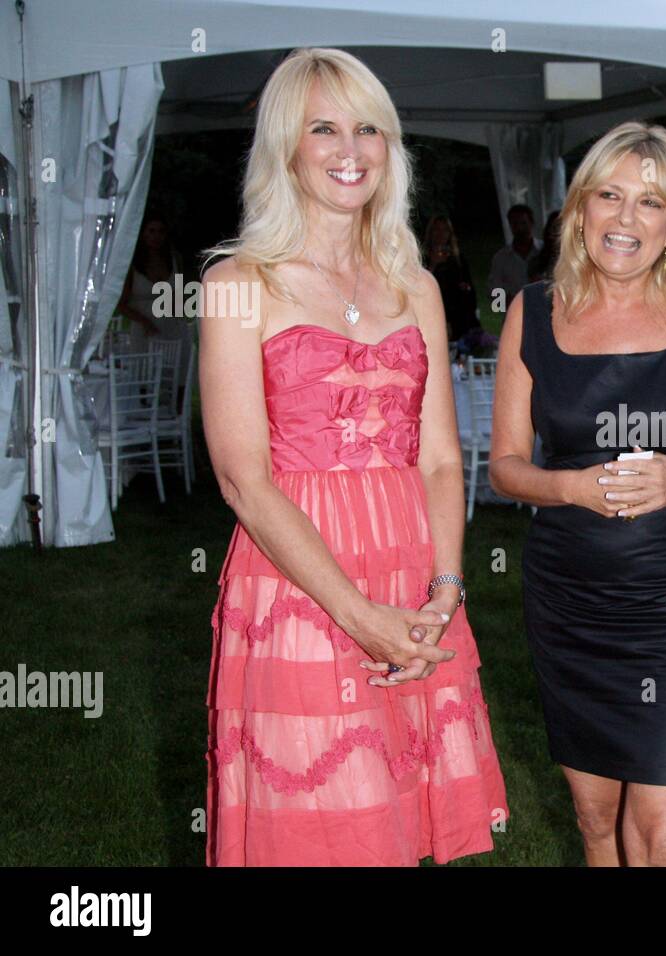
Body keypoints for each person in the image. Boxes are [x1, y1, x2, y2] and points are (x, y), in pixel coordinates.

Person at [199, 47, 507, 866]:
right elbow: (242, 478)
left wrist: (444, 590)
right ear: (285, 149)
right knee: (321, 823)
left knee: (399, 823)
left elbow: (443, 458)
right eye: (324, 128)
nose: (350, 149)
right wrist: (358, 615)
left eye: (369, 128)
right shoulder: (238, 281)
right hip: (299, 579)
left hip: (415, 576)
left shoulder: (417, 284)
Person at [489, 120, 666, 867]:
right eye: (609, 195)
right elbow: (505, 466)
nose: (625, 218)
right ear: (580, 209)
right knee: (593, 817)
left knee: (662, 832)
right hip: (571, 599)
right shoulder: (532, 312)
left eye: (649, 202)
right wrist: (570, 487)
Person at [115, 211, 190, 352]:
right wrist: (144, 321)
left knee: (176, 369)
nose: (156, 236)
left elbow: (180, 296)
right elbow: (121, 305)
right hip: (144, 329)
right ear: (144, 233)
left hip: (172, 327)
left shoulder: (174, 260)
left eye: (161, 232)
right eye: (152, 231)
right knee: (143, 370)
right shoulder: (133, 265)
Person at [422, 214, 479, 341]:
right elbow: (419, 286)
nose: (440, 234)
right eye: (436, 230)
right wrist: (433, 264)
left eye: (444, 230)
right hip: (432, 310)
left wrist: (465, 287)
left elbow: (469, 287)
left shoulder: (458, 259)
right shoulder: (422, 258)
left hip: (457, 312)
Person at [487, 203, 541, 305]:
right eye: (515, 224)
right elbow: (494, 293)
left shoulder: (544, 252)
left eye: (524, 223)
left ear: (532, 223)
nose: (520, 228)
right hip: (515, 315)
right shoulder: (501, 258)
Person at [528, 210, 563, 283]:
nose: (557, 232)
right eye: (554, 228)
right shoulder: (537, 262)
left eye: (560, 228)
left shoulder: (579, 260)